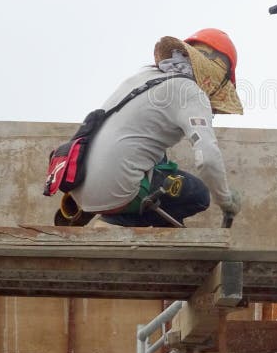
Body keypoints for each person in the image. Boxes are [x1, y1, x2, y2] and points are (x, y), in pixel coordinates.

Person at [62, 28, 243, 227]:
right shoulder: (190, 92)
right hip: (117, 191)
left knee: (160, 157)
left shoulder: (145, 76)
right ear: (215, 79)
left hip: (78, 186)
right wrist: (226, 200)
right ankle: (115, 222)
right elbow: (208, 159)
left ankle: (116, 218)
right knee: (196, 194)